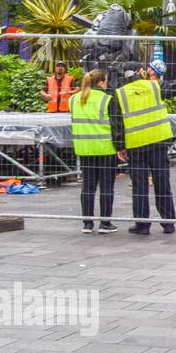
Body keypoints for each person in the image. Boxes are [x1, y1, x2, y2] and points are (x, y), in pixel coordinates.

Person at [116, 62, 176, 235]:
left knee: (139, 186)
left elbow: (117, 123)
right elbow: (174, 88)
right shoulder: (154, 86)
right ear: (140, 71)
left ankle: (142, 224)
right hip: (158, 142)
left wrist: (120, 146)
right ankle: (168, 222)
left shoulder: (120, 94)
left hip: (136, 146)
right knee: (162, 182)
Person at [70, 69, 123, 234]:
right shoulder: (107, 99)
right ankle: (105, 223)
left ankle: (87, 223)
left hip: (84, 148)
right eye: (106, 81)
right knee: (106, 187)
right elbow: (116, 126)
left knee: (87, 187)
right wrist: (121, 147)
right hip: (104, 148)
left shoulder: (74, 99)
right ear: (101, 82)